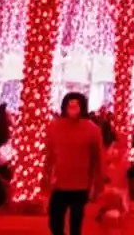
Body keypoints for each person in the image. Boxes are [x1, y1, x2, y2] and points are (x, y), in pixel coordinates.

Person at [45, 92, 104, 235]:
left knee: (75, 224)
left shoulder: (92, 129)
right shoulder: (54, 127)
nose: (72, 109)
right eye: (70, 106)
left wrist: (98, 183)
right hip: (59, 184)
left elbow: (97, 158)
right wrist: (46, 175)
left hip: (81, 184)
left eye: (76, 106)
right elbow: (49, 154)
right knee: (54, 222)